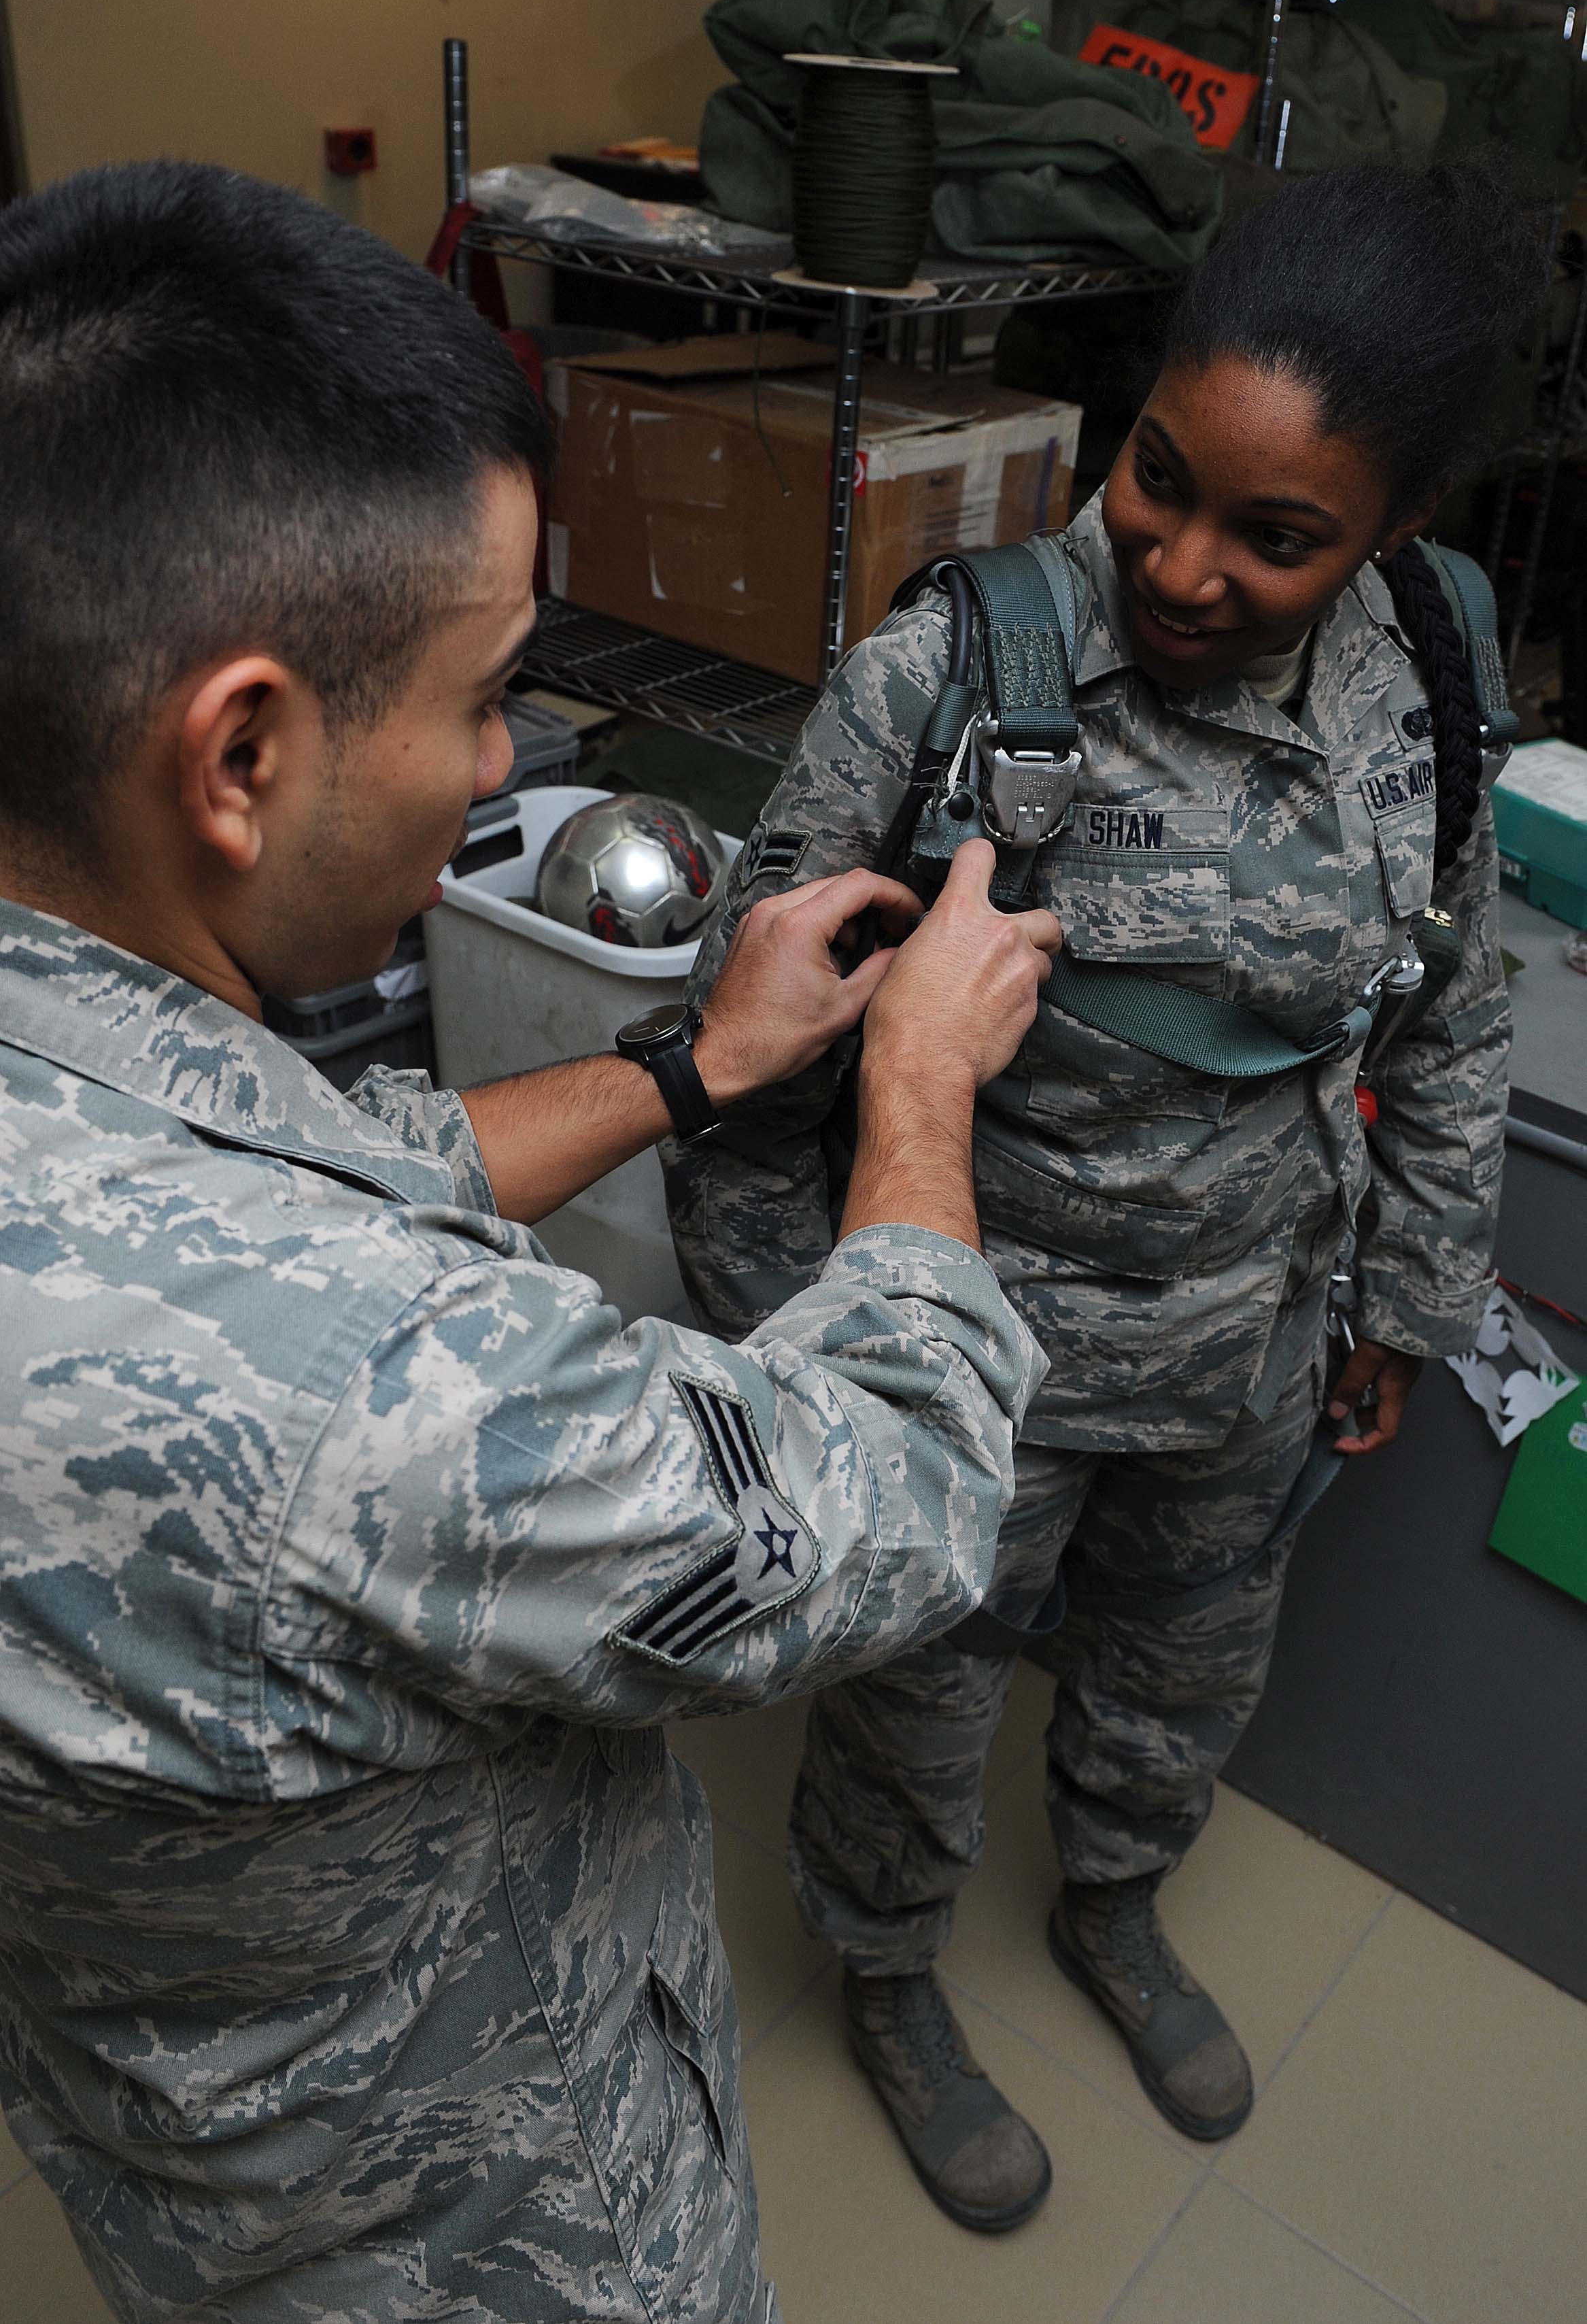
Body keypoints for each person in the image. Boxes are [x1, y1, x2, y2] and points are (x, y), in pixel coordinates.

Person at [0, 160, 1066, 2323]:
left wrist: (694, 1069)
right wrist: (921, 1088)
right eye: (486, 696)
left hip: (190, 2159)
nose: (507, 761)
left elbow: (301, 1171)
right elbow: (896, 1502)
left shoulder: (95, 1099)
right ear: (242, 749)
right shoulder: (381, 1393)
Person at [668, 162, 1541, 2233]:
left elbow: (1455, 993)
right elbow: (757, 1059)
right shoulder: (961, 675)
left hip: (1252, 1337)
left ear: (1392, 534)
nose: (1183, 557)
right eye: (1162, 475)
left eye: (1278, 536)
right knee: (915, 1704)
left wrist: (1405, 1297)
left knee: (1187, 1668)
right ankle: (886, 1978)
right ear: (1138, 406)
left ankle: (1118, 1905)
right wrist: (809, 1377)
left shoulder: (1423, 669)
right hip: (974, 1358)